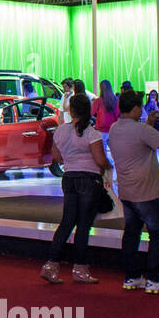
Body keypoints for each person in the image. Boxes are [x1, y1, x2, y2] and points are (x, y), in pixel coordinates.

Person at [108, 89, 159, 293]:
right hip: (148, 191)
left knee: (131, 234)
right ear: (137, 108)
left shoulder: (115, 129)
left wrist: (149, 122)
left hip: (127, 191)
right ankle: (156, 279)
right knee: (158, 234)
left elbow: (142, 143)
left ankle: (132, 276)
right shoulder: (140, 130)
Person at [41, 94, 109, 285]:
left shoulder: (61, 131)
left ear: (71, 110)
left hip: (69, 177)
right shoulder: (91, 132)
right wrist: (109, 167)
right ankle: (79, 268)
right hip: (88, 179)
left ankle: (51, 265)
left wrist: (70, 161)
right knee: (84, 225)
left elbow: (56, 155)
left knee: (67, 222)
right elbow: (99, 159)